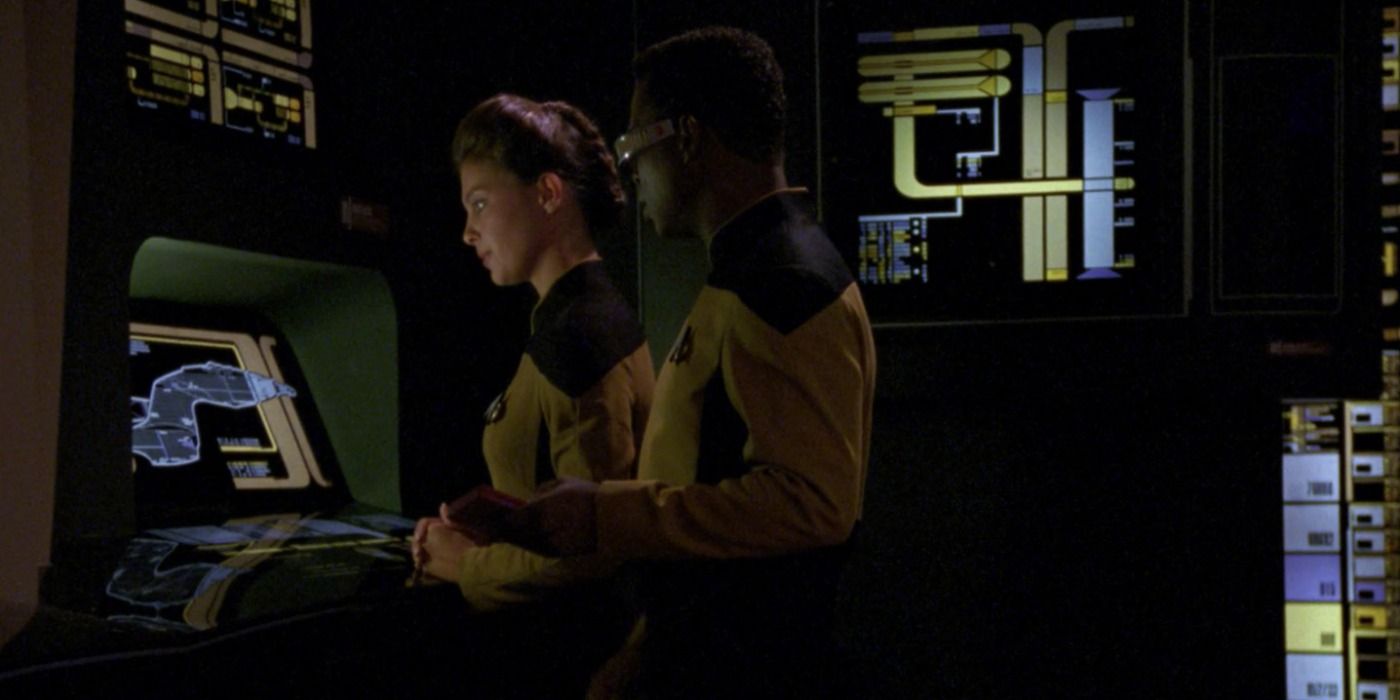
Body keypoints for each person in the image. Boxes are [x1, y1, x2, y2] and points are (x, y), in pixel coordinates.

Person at [503, 27, 877, 699]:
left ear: (688, 139)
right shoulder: (761, 265)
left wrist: (607, 513)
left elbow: (813, 504)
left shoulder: (781, 281)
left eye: (633, 147)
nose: (629, 174)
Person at [411, 94, 654, 616]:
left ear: (547, 193)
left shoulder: (577, 335)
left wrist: (464, 564)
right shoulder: (583, 316)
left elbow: (589, 553)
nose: (468, 232)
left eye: (480, 204)